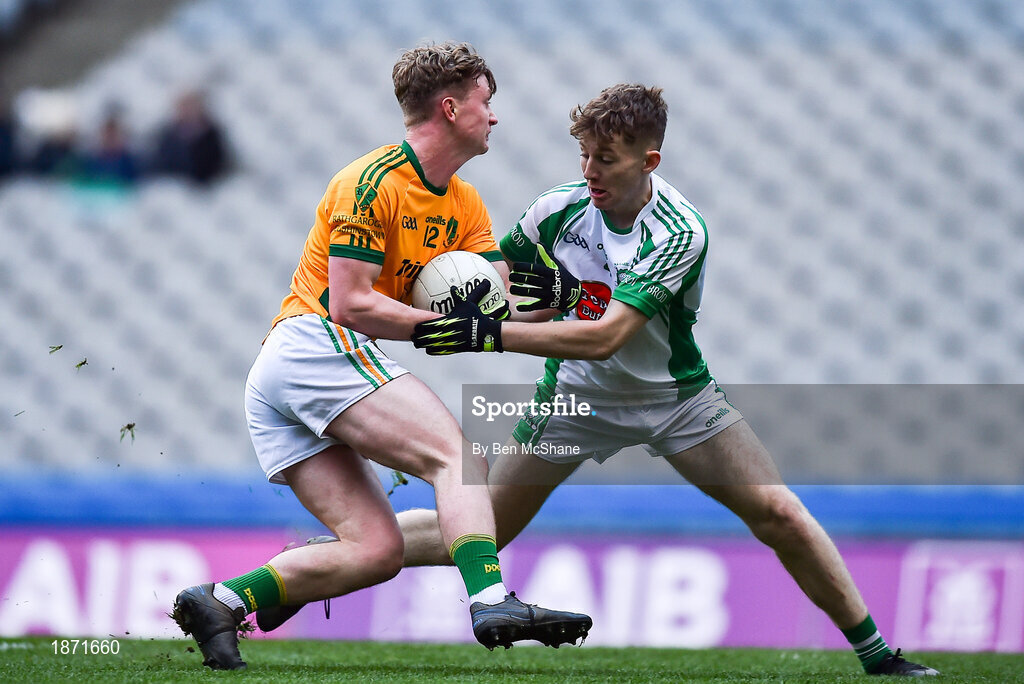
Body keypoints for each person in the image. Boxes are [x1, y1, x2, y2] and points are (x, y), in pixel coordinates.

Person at [405, 84, 938, 677]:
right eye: (584, 155)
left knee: (779, 515)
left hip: (676, 400)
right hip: (574, 399)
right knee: (482, 530)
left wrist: (487, 334)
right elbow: (503, 284)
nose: (590, 172)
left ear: (648, 161)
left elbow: (607, 335)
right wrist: (472, 304)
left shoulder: (679, 232)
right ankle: (341, 554)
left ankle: (879, 657)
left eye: (605, 159)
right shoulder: (555, 210)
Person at [170, 41, 590, 671]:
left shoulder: (466, 204)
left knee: (375, 550)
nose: (494, 116)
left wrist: (553, 300)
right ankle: (491, 600)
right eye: (486, 102)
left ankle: (222, 601)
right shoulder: (369, 183)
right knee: (457, 456)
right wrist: (440, 323)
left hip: (299, 369)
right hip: (315, 344)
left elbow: (494, 311)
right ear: (450, 108)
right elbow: (351, 305)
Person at [152, 89, 227, 184]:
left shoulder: (211, 134)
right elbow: (161, 161)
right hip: (173, 186)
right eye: (183, 106)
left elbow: (216, 164)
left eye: (190, 106)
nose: (186, 110)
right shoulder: (168, 133)